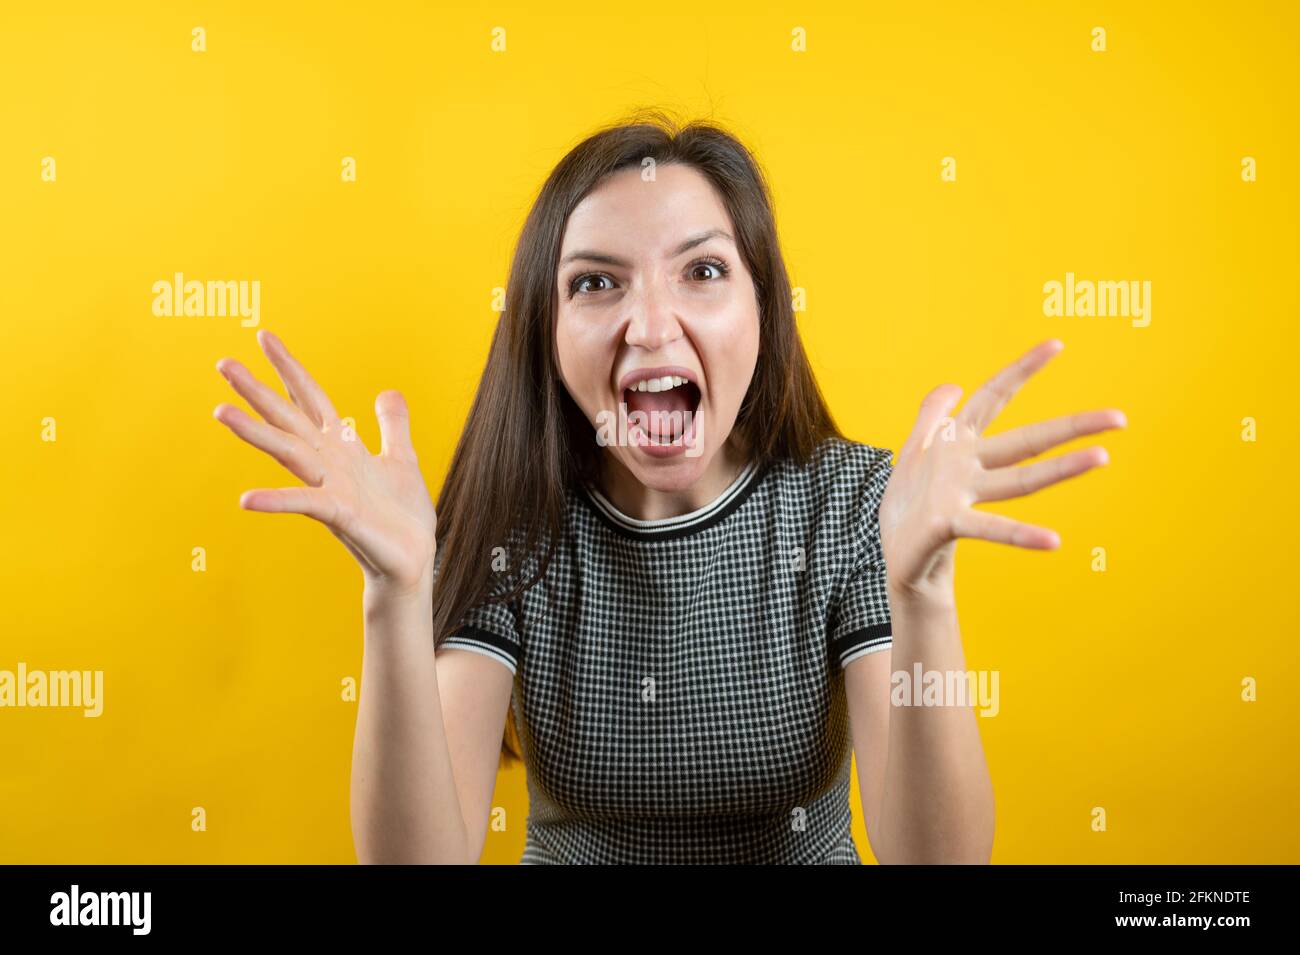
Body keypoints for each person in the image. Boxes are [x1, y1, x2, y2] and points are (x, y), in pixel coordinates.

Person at [212, 111, 1125, 864]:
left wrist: (921, 592)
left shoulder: (856, 507)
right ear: (547, 332)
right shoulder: (511, 528)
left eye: (703, 270)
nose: (652, 324)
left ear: (763, 308)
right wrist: (396, 598)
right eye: (597, 283)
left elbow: (938, 863)